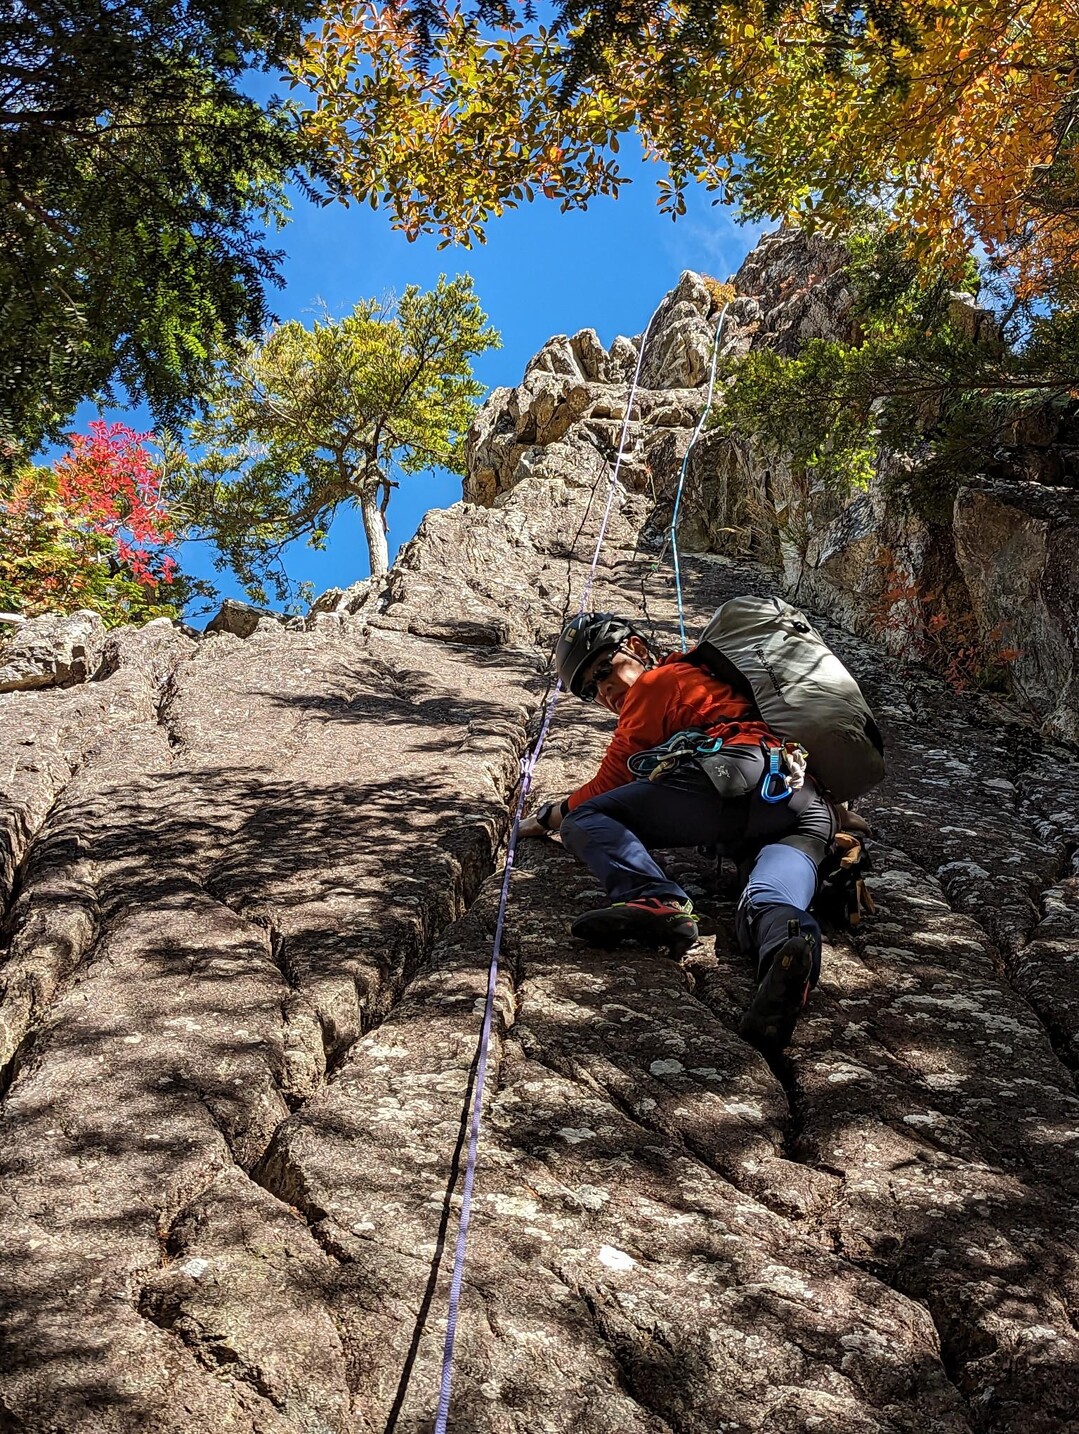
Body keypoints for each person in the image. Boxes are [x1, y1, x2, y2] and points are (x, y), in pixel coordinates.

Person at [518, 611, 839, 1053]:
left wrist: (546, 816)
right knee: (769, 899)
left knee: (586, 819)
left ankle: (658, 899)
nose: (604, 691)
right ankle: (788, 950)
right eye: (590, 689)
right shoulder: (713, 687)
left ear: (635, 648)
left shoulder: (658, 683)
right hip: (802, 805)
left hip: (736, 776)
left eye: (603, 671)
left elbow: (607, 784)